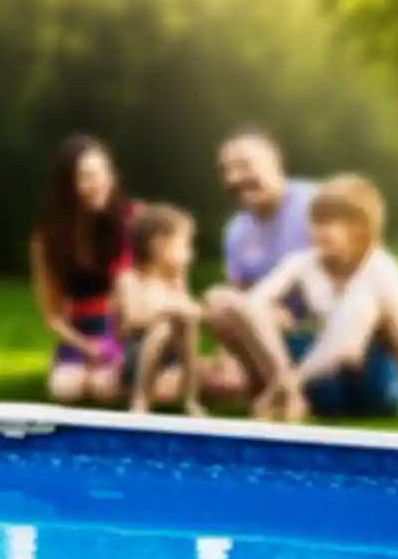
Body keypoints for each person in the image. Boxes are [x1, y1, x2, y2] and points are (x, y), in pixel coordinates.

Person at [240, 176, 398, 425]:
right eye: (316, 221)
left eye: (331, 222)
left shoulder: (379, 266)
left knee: (365, 305)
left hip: (373, 386)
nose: (318, 230)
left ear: (359, 230)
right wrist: (272, 313)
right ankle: (289, 389)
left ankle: (287, 386)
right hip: (327, 386)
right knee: (256, 312)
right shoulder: (301, 263)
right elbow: (251, 304)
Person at [202, 128, 317, 403]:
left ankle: (287, 395)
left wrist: (299, 316)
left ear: (275, 162)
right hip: (267, 325)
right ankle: (267, 387)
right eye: (225, 171)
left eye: (243, 165)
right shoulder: (236, 230)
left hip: (321, 319)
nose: (233, 178)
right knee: (216, 301)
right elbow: (238, 292)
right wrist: (225, 357)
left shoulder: (315, 204)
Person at [31, 134, 138, 405]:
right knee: (65, 390)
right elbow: (52, 315)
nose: (97, 183)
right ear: (68, 184)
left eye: (103, 173)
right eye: (87, 176)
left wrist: (116, 341)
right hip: (81, 332)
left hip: (123, 327)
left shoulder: (132, 221)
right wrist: (85, 346)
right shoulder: (46, 240)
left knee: (104, 388)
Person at [112, 204, 207, 416]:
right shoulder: (130, 280)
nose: (190, 255)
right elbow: (133, 322)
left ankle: (191, 398)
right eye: (184, 246)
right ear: (159, 245)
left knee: (186, 323)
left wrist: (188, 310)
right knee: (164, 327)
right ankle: (140, 399)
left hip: (171, 360)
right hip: (137, 357)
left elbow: (192, 312)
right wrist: (167, 310)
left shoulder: (175, 281)